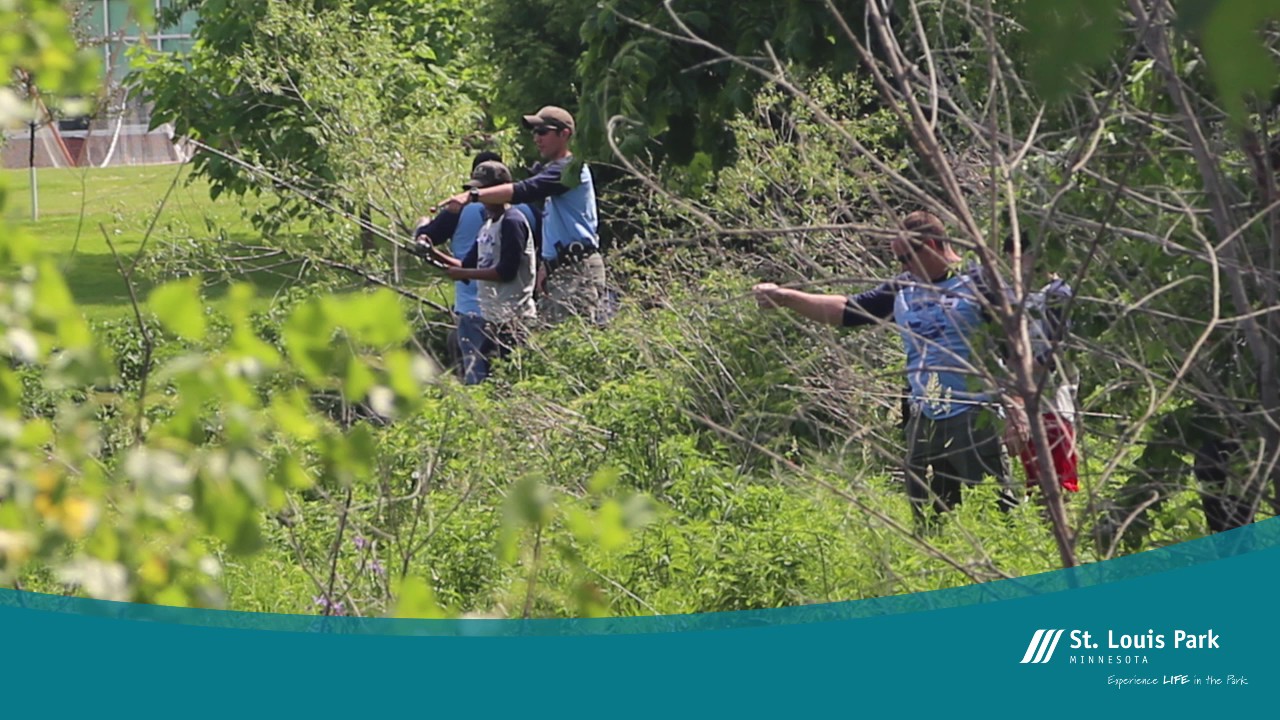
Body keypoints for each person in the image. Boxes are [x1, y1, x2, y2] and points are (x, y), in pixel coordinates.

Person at [753, 210, 1019, 525]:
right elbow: (845, 310)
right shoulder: (902, 287)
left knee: (998, 515)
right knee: (929, 516)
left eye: (907, 257)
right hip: (924, 416)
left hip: (975, 416)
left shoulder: (980, 282)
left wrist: (1017, 412)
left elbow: (1019, 346)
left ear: (933, 244)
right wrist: (786, 297)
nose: (903, 267)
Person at [437, 106, 605, 324]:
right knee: (557, 344)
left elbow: (524, 190)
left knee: (575, 340)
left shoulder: (570, 169)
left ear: (565, 134)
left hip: (577, 268)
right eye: (534, 132)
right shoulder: (554, 171)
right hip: (561, 267)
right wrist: (547, 265)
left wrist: (472, 196)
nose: (536, 138)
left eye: (542, 132)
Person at [413, 152, 537, 384]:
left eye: (482, 191)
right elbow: (467, 264)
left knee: (507, 385)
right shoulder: (488, 225)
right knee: (483, 384)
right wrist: (433, 252)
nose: (478, 198)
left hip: (513, 320)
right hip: (493, 320)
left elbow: (506, 271)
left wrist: (464, 274)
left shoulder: (513, 220)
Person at [1004, 235, 1080, 495]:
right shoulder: (1018, 297)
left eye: (1017, 257)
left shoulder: (1057, 293)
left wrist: (1031, 366)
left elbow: (1059, 347)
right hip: (1027, 403)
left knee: (1060, 483)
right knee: (1034, 484)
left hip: (1055, 404)